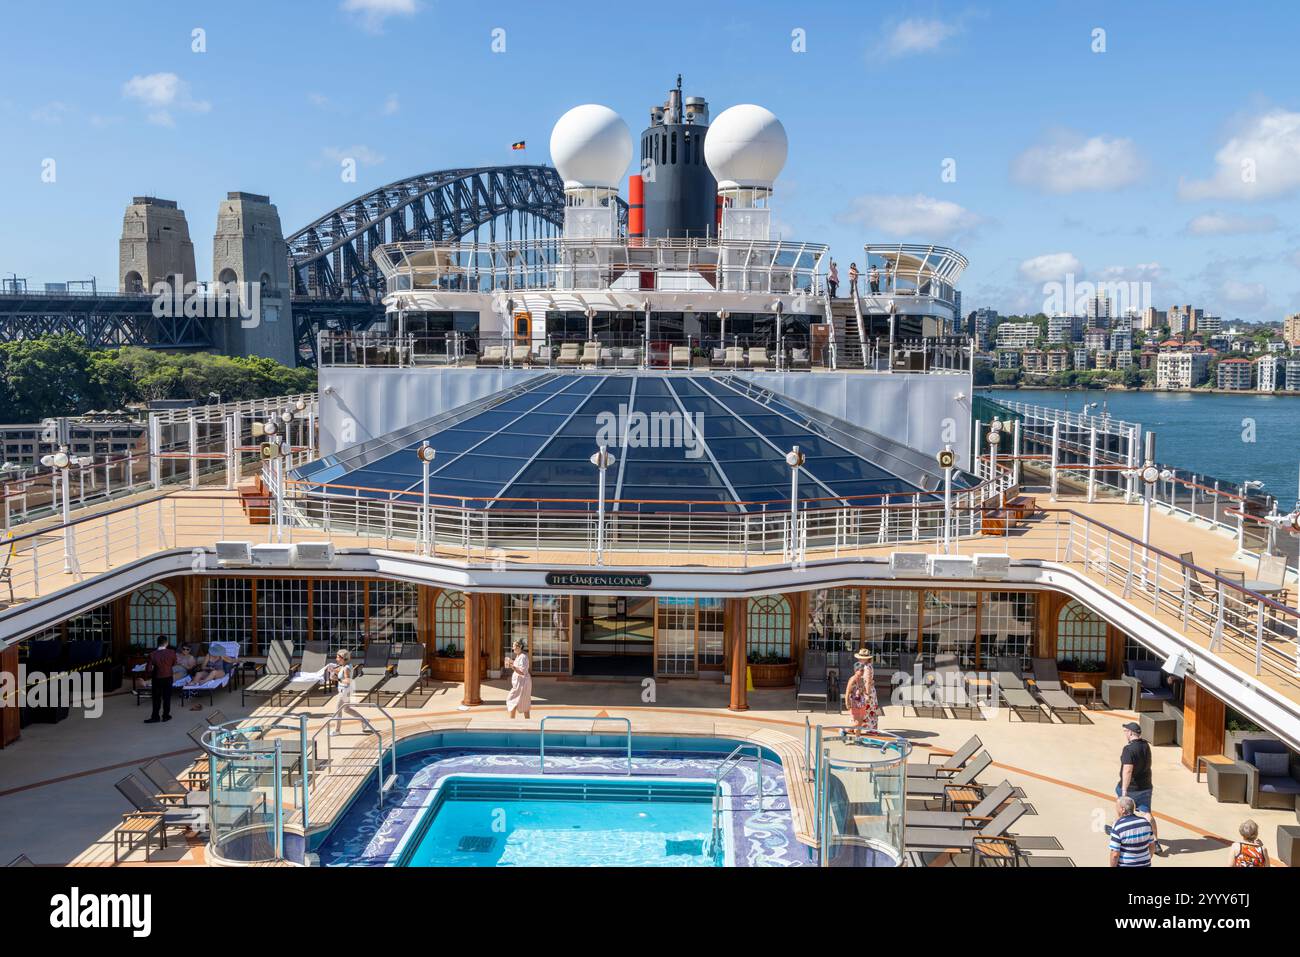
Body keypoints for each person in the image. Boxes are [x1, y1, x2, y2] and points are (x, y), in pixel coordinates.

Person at [1117, 721, 1163, 854]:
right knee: (1147, 813)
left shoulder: (1128, 749)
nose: (1125, 734)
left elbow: (1127, 770)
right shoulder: (1145, 746)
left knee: (1122, 809)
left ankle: (1120, 831)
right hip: (1146, 786)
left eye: (1125, 731)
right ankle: (1155, 841)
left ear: (1130, 733)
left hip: (1132, 788)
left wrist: (1124, 791)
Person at [329, 649, 377, 736]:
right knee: (347, 709)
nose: (336, 658)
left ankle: (337, 730)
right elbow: (340, 670)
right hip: (346, 690)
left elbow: (348, 680)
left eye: (337, 657)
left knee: (338, 709)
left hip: (345, 691)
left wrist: (337, 679)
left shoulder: (346, 668)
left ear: (342, 658)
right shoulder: (345, 665)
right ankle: (364, 721)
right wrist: (333, 670)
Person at [1108, 795, 1153, 867]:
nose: (1116, 810)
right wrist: (1144, 860)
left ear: (1123, 809)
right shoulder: (1145, 823)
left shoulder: (1118, 827)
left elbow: (1115, 854)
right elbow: (1152, 846)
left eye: (1117, 807)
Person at [844, 649, 880, 737]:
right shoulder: (868, 666)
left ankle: (854, 728)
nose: (860, 659)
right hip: (866, 691)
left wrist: (867, 694)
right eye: (859, 658)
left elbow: (867, 682)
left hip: (866, 692)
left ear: (867, 659)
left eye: (861, 658)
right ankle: (863, 729)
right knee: (867, 711)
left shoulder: (866, 667)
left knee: (864, 711)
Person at [143, 637, 177, 724]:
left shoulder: (153, 654)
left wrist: (152, 672)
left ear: (157, 643)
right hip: (168, 676)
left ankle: (155, 717)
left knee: (156, 698)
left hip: (157, 678)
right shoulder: (172, 652)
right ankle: (166, 716)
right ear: (166, 643)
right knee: (167, 697)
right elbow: (174, 663)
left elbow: (148, 669)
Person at [504, 640, 532, 719]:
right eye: (513, 647)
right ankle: (527, 722)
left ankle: (512, 721)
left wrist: (511, 666)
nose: (513, 649)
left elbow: (522, 671)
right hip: (520, 683)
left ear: (520, 647)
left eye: (514, 647)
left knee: (512, 700)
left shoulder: (523, 657)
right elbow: (518, 665)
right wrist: (511, 662)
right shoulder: (519, 656)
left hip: (522, 683)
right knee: (523, 702)